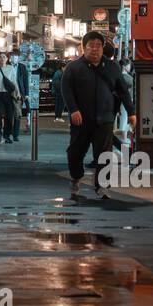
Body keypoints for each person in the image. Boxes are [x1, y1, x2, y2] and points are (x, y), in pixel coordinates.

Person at [61, 31, 135, 197]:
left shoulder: (112, 67)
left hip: (105, 118)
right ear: (83, 48)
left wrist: (131, 112)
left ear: (103, 48)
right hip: (80, 119)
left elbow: (123, 92)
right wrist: (73, 109)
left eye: (98, 46)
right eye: (91, 46)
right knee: (75, 152)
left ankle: (102, 186)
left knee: (104, 154)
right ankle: (76, 177)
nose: (95, 49)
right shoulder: (73, 68)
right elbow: (66, 91)